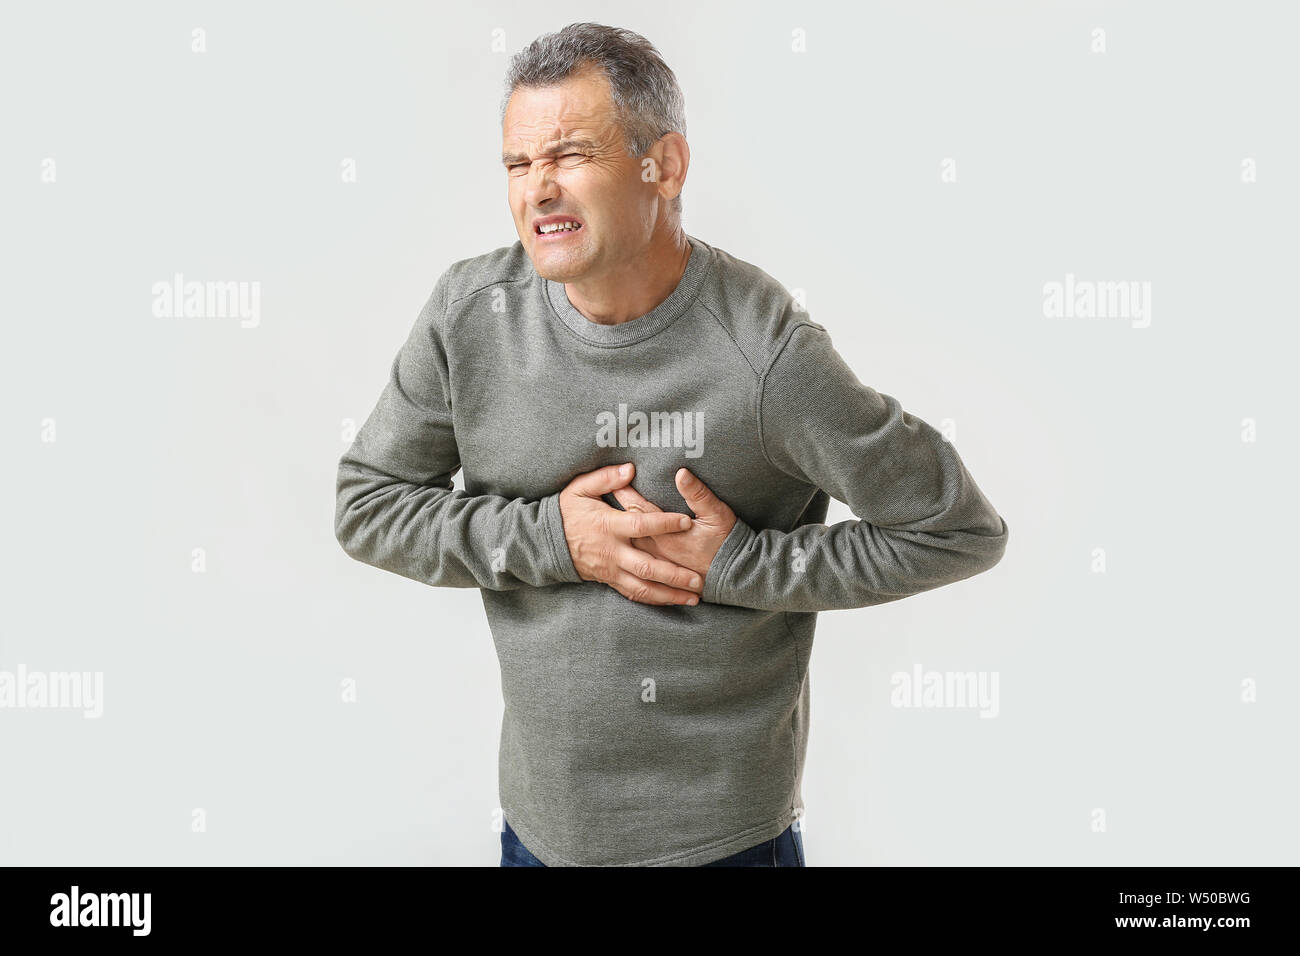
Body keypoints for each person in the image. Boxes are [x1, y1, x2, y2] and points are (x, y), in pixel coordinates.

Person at [334, 22, 1009, 867]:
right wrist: (556, 540)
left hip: (722, 844)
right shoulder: (471, 315)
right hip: (539, 834)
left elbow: (958, 531)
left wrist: (739, 565)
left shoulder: (766, 354)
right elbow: (367, 505)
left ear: (665, 165)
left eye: (571, 155)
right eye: (517, 164)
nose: (538, 188)